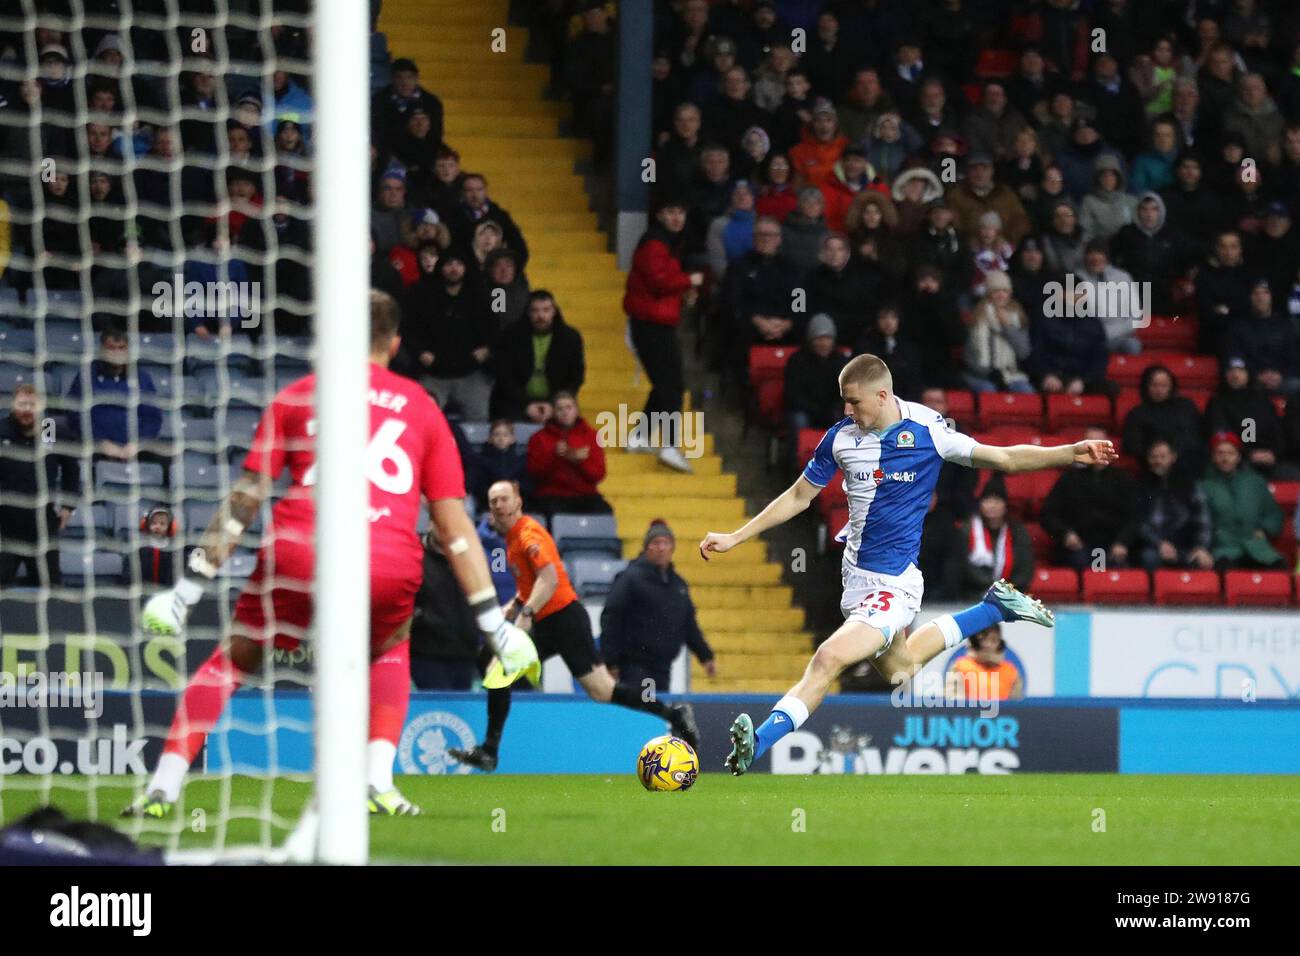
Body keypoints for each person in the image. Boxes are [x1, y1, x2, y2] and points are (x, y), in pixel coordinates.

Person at [123, 290, 540, 819]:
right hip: (386, 557)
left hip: (300, 549)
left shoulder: (298, 395)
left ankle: (164, 784)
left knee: (232, 658)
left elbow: (244, 501)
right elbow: (453, 526)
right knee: (390, 648)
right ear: (395, 343)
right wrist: (495, 627)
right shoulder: (421, 407)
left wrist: (185, 593)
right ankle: (377, 782)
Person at [699, 353, 1117, 775]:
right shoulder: (840, 438)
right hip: (856, 580)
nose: (847, 410)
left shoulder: (930, 431)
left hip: (894, 584)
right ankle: (993, 608)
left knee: (828, 658)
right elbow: (797, 496)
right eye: (844, 401)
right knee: (901, 672)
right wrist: (736, 537)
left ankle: (760, 740)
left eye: (854, 401)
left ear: (882, 395)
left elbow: (1004, 459)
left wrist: (1070, 452)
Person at [449, 480, 700, 772]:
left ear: (518, 502)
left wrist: (527, 611)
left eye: (504, 499)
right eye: (493, 501)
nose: (499, 505)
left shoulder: (529, 534)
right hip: (551, 619)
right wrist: (515, 604)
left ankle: (674, 713)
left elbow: (549, 578)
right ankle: (489, 750)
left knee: (599, 690)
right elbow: (533, 582)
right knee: (502, 668)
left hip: (563, 618)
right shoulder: (513, 540)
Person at [622, 196, 702, 473]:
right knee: (672, 385)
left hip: (655, 323)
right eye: (671, 211)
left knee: (666, 384)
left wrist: (682, 292)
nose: (677, 217)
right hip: (650, 325)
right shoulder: (655, 243)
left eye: (680, 210)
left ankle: (640, 436)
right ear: (660, 215)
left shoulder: (666, 242)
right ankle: (668, 444)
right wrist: (688, 281)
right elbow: (658, 281)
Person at [601, 520, 715, 695]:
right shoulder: (630, 579)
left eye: (666, 543)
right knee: (645, 711)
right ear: (647, 548)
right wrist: (611, 662)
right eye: (656, 543)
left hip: (663, 667)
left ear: (672, 549)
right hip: (636, 667)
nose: (661, 548)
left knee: (656, 713)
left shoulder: (678, 585)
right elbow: (611, 618)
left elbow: (688, 624)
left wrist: (705, 655)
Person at [0, 386, 79, 587]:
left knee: (50, 589)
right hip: (5, 526)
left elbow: (71, 469)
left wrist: (69, 506)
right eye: (22, 404)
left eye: (33, 405)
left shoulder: (49, 429)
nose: (27, 409)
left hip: (43, 524)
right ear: (12, 406)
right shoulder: (1, 430)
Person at [1040, 425, 1140, 571]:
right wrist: (1066, 534)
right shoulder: (1069, 478)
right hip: (1078, 546)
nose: (1095, 448)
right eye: (1090, 443)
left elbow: (1135, 516)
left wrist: (1122, 542)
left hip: (1113, 547)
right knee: (1081, 561)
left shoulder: (1123, 479)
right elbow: (1048, 514)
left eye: (1099, 443)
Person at [65, 327, 163, 463]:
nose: (116, 353)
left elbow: (153, 418)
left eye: (121, 348)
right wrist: (101, 442)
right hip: (94, 448)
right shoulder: (86, 376)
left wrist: (137, 444)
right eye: (111, 348)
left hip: (134, 450)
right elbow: (75, 416)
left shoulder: (142, 378)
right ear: (102, 350)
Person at [490, 289, 585, 422]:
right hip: (514, 402)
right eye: (535, 310)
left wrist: (554, 403)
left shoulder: (570, 338)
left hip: (556, 402)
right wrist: (526, 404)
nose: (541, 316)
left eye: (546, 310)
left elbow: (576, 376)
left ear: (554, 311)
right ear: (528, 312)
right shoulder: (510, 336)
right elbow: (503, 375)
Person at [1201, 431, 1284, 571]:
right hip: (1224, 550)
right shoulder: (1204, 486)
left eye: (1230, 453)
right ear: (1213, 457)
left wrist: (1265, 530)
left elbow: (1274, 514)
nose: (1225, 458)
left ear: (1238, 456)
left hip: (1256, 547)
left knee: (1280, 570)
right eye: (1220, 453)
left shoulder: (1255, 482)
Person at [409, 534, 481, 691]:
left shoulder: (468, 555)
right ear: (430, 523)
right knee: (438, 709)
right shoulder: (414, 555)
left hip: (465, 654)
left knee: (460, 712)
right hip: (428, 654)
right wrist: (423, 618)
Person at [1135, 440, 1215, 572]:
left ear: (1173, 457)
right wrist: (1159, 544)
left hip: (1186, 546)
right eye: (1154, 457)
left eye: (1162, 456)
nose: (1158, 461)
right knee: (1149, 557)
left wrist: (1201, 547)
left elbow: (1202, 520)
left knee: (1203, 560)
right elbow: (1138, 522)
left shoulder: (1189, 484)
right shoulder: (1141, 485)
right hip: (1154, 546)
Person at [526, 392, 610, 517]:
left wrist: (580, 461)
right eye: (560, 409)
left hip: (586, 495)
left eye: (569, 407)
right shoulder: (538, 438)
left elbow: (598, 474)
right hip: (552, 495)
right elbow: (534, 473)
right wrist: (556, 457)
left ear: (576, 411)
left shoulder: (591, 435)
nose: (565, 412)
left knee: (605, 513)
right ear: (553, 412)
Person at [951, 482, 1035, 600]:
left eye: (997, 501)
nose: (992, 506)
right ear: (980, 504)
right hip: (972, 595)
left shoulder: (1018, 531)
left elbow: (1025, 568)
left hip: (1011, 596)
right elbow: (963, 566)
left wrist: (1007, 590)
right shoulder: (967, 530)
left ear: (1005, 505)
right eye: (987, 501)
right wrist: (988, 586)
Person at [1122, 364, 1204, 474]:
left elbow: (1197, 435)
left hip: (1189, 467)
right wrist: (1157, 453)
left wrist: (1174, 453)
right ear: (1146, 387)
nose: (1159, 390)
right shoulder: (1137, 414)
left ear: (1171, 386)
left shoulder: (1186, 407)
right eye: (1154, 385)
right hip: (1153, 470)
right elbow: (1131, 445)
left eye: (1164, 385)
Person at [946, 625, 1023, 701]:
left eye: (993, 640)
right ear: (974, 641)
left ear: (999, 643)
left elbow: (1016, 705)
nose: (988, 644)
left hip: (1003, 713)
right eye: (983, 639)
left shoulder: (1010, 671)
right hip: (970, 713)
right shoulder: (960, 667)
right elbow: (954, 702)